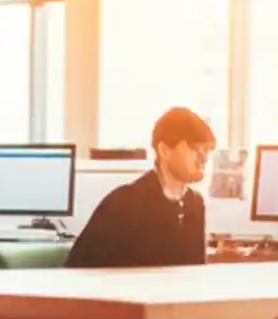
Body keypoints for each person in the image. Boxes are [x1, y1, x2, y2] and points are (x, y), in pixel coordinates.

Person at [66, 106, 215, 268]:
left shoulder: (195, 204)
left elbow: (193, 273)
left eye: (206, 150)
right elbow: (76, 269)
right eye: (195, 149)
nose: (204, 158)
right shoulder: (124, 203)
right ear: (165, 151)